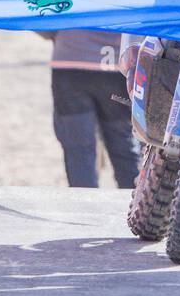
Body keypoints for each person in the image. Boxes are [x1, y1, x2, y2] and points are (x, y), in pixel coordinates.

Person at [48, 30, 141, 188]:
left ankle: (84, 206)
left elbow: (45, 13)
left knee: (78, 148)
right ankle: (132, 206)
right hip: (117, 67)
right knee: (124, 145)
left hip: (70, 61)